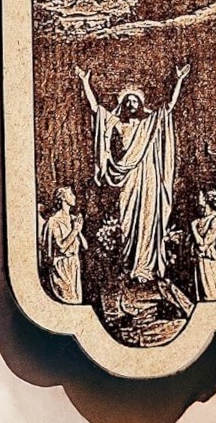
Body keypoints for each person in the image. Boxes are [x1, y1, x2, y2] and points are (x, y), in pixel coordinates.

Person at [75, 64, 189, 283]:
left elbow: (170, 107)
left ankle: (145, 267)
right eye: (127, 101)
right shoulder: (119, 124)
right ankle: (130, 265)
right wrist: (84, 82)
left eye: (134, 101)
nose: (131, 104)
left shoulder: (150, 123)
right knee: (127, 219)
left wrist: (179, 81)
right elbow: (96, 110)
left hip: (149, 177)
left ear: (140, 104)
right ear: (123, 105)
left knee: (148, 218)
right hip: (128, 177)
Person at [39, 186, 87, 304]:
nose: (74, 197)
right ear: (63, 198)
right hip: (61, 265)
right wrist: (75, 230)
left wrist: (78, 230)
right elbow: (61, 247)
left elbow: (85, 246)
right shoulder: (54, 221)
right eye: (71, 194)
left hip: (73, 263)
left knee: (76, 300)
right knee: (68, 300)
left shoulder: (72, 219)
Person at [191, 191, 216, 301]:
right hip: (199, 262)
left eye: (199, 198)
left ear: (206, 201)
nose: (196, 202)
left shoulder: (215, 220)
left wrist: (193, 228)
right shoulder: (200, 220)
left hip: (210, 263)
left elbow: (202, 245)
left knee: (213, 295)